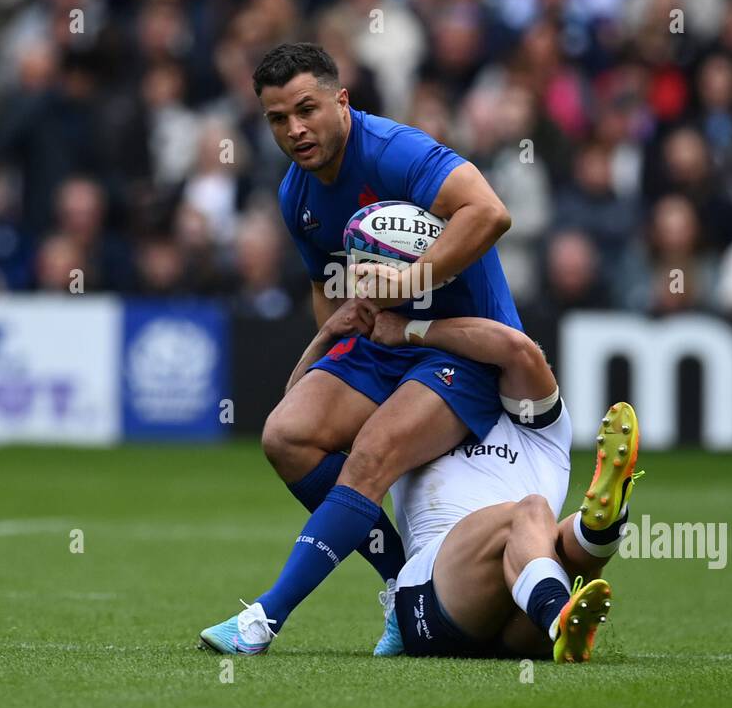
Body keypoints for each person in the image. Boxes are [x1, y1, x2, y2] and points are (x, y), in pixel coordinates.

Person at [198, 40, 518, 655]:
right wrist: (335, 349)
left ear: (341, 101)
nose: (295, 129)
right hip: (384, 345)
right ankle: (403, 586)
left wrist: (410, 279)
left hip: (463, 345)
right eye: (276, 119)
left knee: (370, 455)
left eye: (307, 109)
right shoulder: (297, 195)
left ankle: (264, 618)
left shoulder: (399, 152)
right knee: (284, 436)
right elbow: (331, 294)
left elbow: (490, 213)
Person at [366, 310, 640, 662]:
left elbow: (516, 348)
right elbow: (303, 433)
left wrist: (408, 330)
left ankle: (590, 541)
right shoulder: (407, 418)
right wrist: (325, 338)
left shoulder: (543, 428)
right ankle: (594, 545)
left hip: (518, 620)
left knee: (555, 536)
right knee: (532, 512)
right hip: (432, 601)